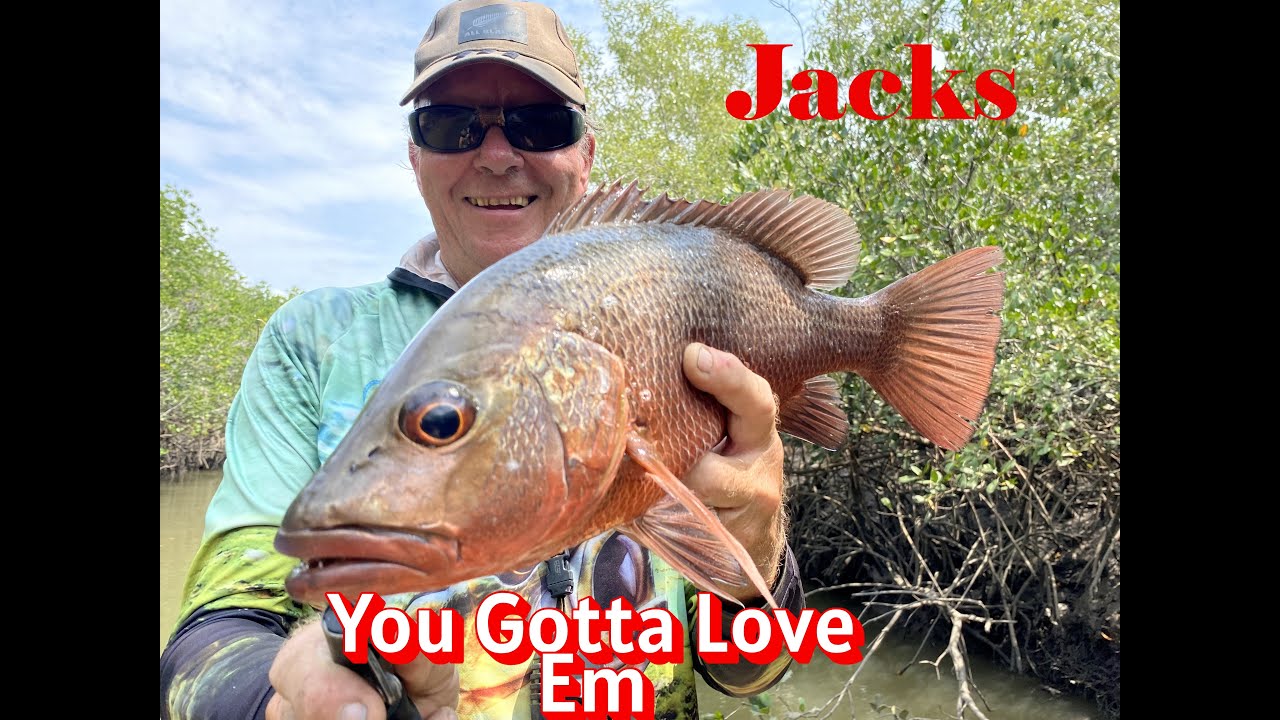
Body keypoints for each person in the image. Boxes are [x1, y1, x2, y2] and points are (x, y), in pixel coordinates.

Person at [159, 1, 806, 718]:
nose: (497, 155)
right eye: (450, 125)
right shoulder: (309, 345)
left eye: (540, 121)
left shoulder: (682, 314)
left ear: (585, 152)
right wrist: (276, 700)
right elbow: (214, 634)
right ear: (414, 156)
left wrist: (759, 572)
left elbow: (752, 676)